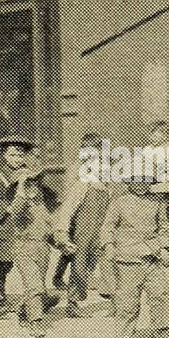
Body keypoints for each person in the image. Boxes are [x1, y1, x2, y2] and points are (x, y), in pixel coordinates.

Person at [100, 166, 169, 338]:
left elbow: (164, 228)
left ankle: (159, 334)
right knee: (128, 301)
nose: (141, 184)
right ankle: (126, 336)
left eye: (145, 179)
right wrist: (108, 245)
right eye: (136, 179)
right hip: (127, 260)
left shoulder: (157, 202)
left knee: (160, 295)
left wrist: (163, 247)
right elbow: (107, 227)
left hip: (152, 258)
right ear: (128, 181)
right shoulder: (119, 202)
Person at [53, 132, 113, 316]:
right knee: (79, 263)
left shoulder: (107, 188)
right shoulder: (82, 185)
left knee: (94, 263)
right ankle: (72, 302)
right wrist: (62, 231)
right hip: (81, 231)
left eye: (102, 161)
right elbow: (67, 210)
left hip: (99, 232)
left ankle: (111, 298)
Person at [5, 163, 60, 338]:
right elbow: (14, 211)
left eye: (35, 183)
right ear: (19, 188)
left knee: (38, 287)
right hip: (24, 249)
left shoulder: (41, 205)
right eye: (28, 184)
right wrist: (21, 189)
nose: (33, 188)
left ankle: (23, 308)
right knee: (34, 285)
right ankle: (35, 321)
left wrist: (61, 244)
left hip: (42, 250)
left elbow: (48, 230)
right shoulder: (19, 206)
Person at [0, 135, 34, 319]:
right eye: (13, 155)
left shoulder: (29, 174)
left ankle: (29, 300)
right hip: (3, 224)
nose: (17, 159)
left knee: (25, 263)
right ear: (4, 155)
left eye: (20, 155)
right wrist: (6, 210)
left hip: (24, 225)